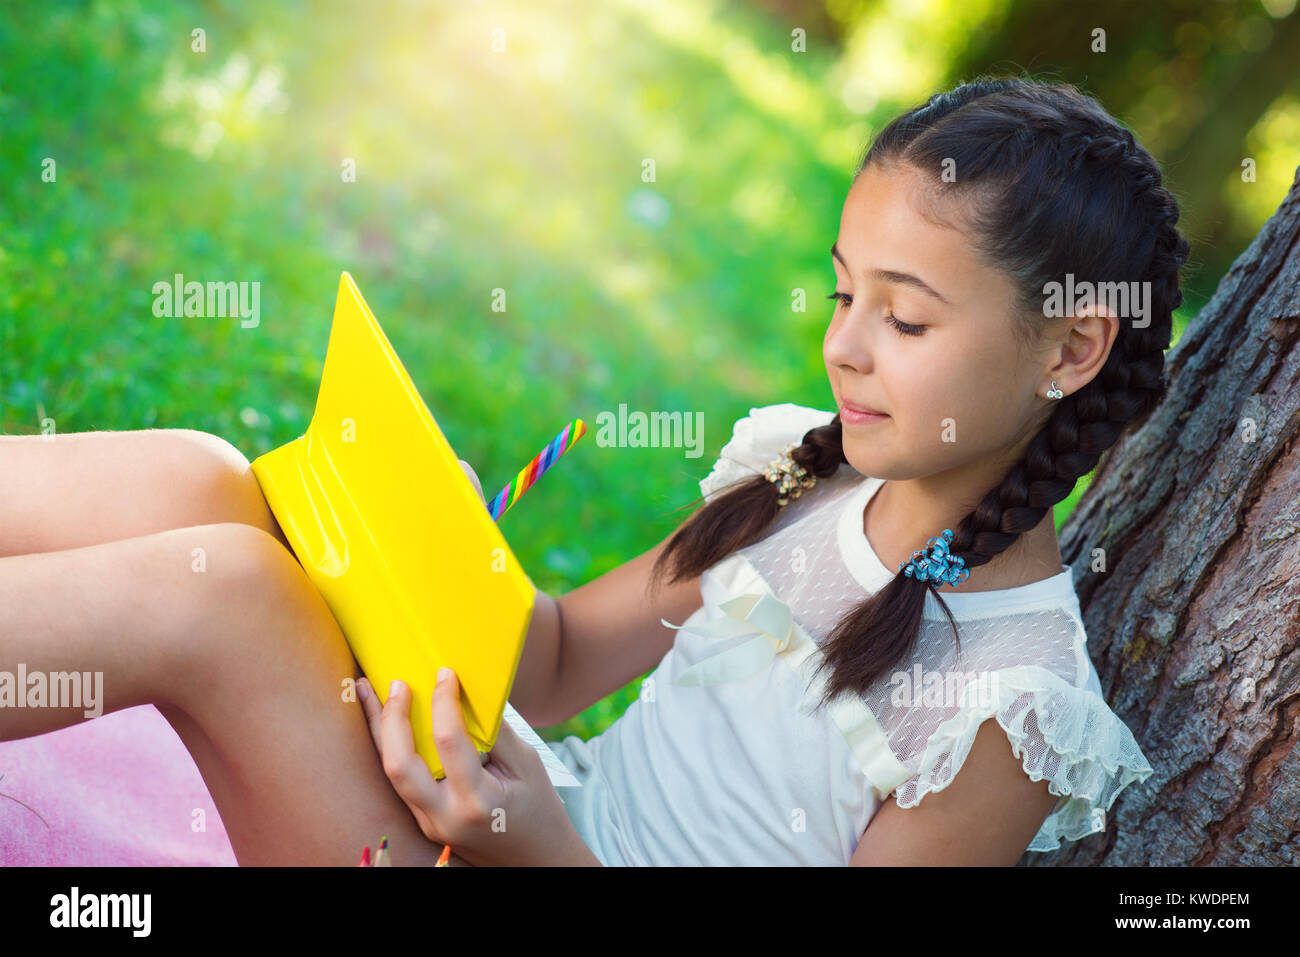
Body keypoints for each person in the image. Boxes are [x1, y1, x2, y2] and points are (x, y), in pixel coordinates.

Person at [0, 72, 1181, 865]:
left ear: (1070, 347)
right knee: (211, 487)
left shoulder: (1010, 713)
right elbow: (553, 662)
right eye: (840, 291)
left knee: (229, 596)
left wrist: (536, 843)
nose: (842, 345)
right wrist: (435, 549)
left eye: (906, 322)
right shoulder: (801, 476)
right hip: (504, 822)